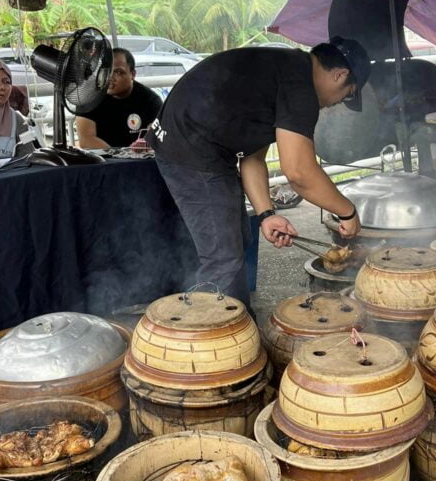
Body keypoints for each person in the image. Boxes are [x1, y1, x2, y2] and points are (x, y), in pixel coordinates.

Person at [146, 37, 371, 307]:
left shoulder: (284, 70)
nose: (336, 103)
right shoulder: (300, 87)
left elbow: (253, 157)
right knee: (223, 257)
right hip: (192, 149)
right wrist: (347, 212)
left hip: (194, 144)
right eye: (346, 95)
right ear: (340, 74)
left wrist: (267, 214)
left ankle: (236, 318)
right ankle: (216, 339)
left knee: (237, 239)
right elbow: (299, 172)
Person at [76, 47, 161, 148]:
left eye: (118, 72)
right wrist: (119, 156)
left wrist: (144, 145)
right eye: (106, 71)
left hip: (139, 159)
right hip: (102, 160)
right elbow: (86, 139)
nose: (110, 77)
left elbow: (156, 136)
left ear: (132, 74)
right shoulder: (89, 97)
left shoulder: (150, 100)